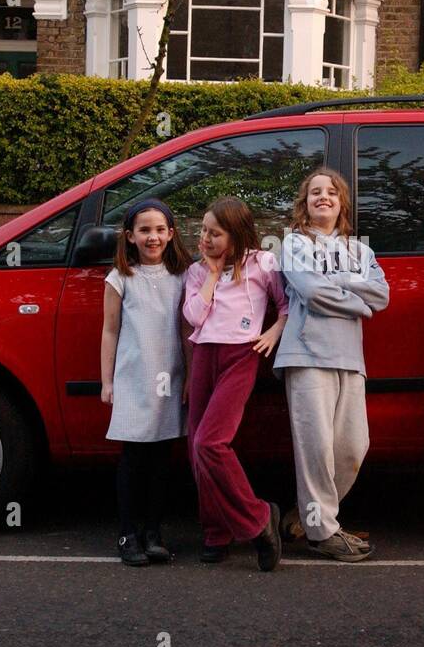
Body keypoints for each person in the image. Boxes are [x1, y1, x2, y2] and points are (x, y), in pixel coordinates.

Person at [276, 167, 390, 562]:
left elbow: (382, 295)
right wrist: (359, 302)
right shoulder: (294, 243)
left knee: (353, 446)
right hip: (307, 354)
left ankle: (307, 514)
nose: (323, 197)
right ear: (305, 203)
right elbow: (311, 291)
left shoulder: (360, 251)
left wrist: (343, 283)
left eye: (331, 192)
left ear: (342, 203)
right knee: (316, 448)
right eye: (315, 192)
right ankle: (322, 531)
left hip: (350, 357)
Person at [182, 196, 288, 571]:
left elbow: (286, 305)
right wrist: (212, 274)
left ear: (236, 234)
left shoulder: (262, 263)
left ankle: (259, 518)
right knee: (196, 448)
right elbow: (194, 317)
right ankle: (216, 531)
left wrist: (274, 331)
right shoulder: (197, 271)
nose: (205, 238)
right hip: (204, 355)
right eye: (203, 231)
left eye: (215, 233)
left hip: (241, 355)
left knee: (211, 442)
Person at [100, 199, 193, 566]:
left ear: (171, 234)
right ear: (130, 236)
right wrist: (107, 381)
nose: (152, 237)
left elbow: (185, 330)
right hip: (134, 378)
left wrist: (190, 374)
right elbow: (110, 330)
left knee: (161, 459)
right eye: (144, 230)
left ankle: (153, 533)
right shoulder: (120, 277)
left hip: (170, 377)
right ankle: (128, 533)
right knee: (134, 457)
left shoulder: (182, 276)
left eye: (159, 230)